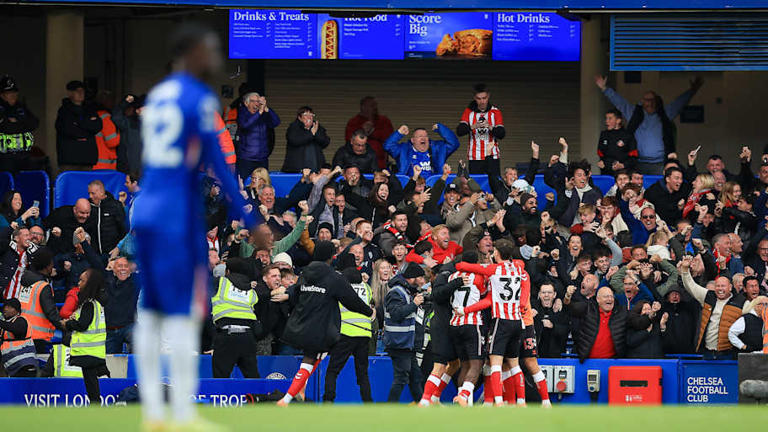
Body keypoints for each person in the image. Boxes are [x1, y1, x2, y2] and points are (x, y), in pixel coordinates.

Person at [131, 23, 256, 429]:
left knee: (150, 309)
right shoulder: (197, 98)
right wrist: (249, 217)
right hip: (175, 213)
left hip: (146, 206)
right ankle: (182, 413)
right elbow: (221, 167)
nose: (215, 58)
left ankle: (152, 411)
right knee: (185, 310)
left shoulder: (159, 96)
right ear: (192, 54)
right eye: (209, 50)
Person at [274, 241, 374, 406]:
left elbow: (297, 290)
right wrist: (369, 312)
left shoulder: (306, 273)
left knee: (311, 360)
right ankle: (290, 397)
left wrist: (287, 294)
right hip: (322, 329)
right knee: (318, 362)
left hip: (302, 325)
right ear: (331, 257)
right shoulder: (334, 278)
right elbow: (351, 300)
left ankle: (295, 392)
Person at [455, 239, 531, 406]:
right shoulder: (519, 268)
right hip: (517, 321)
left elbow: (463, 267)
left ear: (497, 253)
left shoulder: (493, 270)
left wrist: (478, 267)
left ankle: (498, 401)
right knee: (515, 364)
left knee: (495, 363)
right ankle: (522, 402)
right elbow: (520, 264)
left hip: (501, 322)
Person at [595, 74, 703, 174]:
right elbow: (620, 102)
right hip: (638, 163)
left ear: (657, 101)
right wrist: (604, 88)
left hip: (660, 163)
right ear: (642, 102)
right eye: (647, 100)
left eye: (652, 100)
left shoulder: (665, 114)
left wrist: (693, 90)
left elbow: (679, 103)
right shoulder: (634, 114)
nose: (650, 103)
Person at [323, 267, 375, 403]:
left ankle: (328, 400)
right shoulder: (367, 288)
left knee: (333, 370)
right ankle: (368, 403)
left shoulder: (342, 288)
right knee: (363, 374)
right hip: (364, 334)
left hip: (346, 332)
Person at [679, 255, 744, 359]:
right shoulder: (709, 296)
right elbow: (691, 286)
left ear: (730, 288)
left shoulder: (740, 302)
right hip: (707, 352)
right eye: (717, 286)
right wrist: (685, 269)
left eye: (723, 286)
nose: (720, 289)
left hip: (728, 353)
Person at [61, 269, 110, 404]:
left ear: (90, 284)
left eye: (82, 280)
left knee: (91, 383)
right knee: (94, 379)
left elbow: (83, 325)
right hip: (95, 352)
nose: (79, 283)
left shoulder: (89, 303)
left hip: (88, 352)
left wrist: (68, 324)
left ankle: (95, 406)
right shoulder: (96, 303)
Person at [210, 259, 263, 378]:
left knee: (220, 378)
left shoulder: (220, 283)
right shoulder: (252, 290)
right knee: (252, 378)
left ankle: (221, 397)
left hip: (226, 335)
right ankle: (258, 396)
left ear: (227, 271)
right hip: (248, 337)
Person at [382, 262, 425, 403]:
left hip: (406, 343)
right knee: (401, 379)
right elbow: (396, 314)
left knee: (415, 377)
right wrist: (414, 304)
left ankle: (422, 405)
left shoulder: (406, 292)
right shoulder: (396, 292)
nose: (422, 281)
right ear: (412, 278)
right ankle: (389, 410)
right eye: (420, 278)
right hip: (398, 343)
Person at [564, 285, 631, 361]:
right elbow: (569, 307)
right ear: (598, 299)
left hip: (613, 362)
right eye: (606, 296)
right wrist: (568, 296)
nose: (610, 299)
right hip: (588, 361)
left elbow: (637, 320)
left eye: (611, 296)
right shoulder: (588, 308)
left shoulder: (621, 312)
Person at [456, 83, 505, 178]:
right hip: (474, 156)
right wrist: (473, 126)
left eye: (484, 98)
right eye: (479, 98)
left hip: (493, 155)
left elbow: (502, 134)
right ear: (474, 98)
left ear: (488, 96)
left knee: (494, 184)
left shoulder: (495, 112)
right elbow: (459, 131)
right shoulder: (469, 112)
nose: (482, 101)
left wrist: (490, 127)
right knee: (476, 186)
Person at [19, 247, 61, 352]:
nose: (53, 266)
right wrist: (65, 325)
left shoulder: (25, 281)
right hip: (38, 336)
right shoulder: (43, 286)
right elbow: (51, 312)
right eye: (51, 263)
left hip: (23, 333)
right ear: (46, 266)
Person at [55, 80, 103, 171]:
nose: (81, 94)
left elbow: (98, 126)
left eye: (82, 91)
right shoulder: (64, 111)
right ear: (69, 93)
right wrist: (87, 127)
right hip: (69, 158)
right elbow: (67, 129)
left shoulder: (90, 109)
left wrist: (79, 123)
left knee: (86, 183)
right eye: (77, 91)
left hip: (87, 157)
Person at [384, 123, 459, 178]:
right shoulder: (404, 150)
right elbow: (387, 146)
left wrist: (441, 129)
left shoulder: (437, 149)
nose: (423, 138)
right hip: (409, 188)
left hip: (433, 187)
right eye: (420, 136)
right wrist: (399, 133)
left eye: (425, 136)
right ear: (413, 140)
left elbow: (454, 144)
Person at [236, 91, 280, 179]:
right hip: (246, 158)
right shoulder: (242, 113)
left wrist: (267, 109)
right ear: (246, 103)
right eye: (254, 101)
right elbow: (245, 125)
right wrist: (259, 112)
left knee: (263, 184)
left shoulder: (264, 115)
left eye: (258, 101)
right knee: (244, 184)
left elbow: (276, 122)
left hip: (262, 158)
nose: (257, 103)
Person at [0, 75, 39, 172]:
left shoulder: (21, 107)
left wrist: (15, 122)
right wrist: (20, 124)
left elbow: (34, 123)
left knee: (25, 182)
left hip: (24, 156)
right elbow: (7, 128)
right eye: (9, 93)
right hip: (4, 157)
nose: (13, 95)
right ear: (2, 95)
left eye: (15, 92)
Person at [345, 96, 394, 170]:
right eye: (369, 106)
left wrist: (373, 131)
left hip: (379, 162)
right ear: (362, 107)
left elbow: (390, 139)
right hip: (357, 161)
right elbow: (349, 140)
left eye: (374, 105)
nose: (373, 108)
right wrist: (362, 131)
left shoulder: (384, 121)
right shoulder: (354, 122)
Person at [104, 257, 139, 354]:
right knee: (111, 363)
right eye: (119, 266)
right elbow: (95, 262)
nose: (123, 268)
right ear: (113, 269)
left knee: (138, 348)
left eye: (126, 266)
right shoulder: (106, 280)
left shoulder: (134, 281)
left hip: (129, 327)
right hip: (110, 329)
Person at [282, 106, 330, 173]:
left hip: (316, 167)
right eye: (306, 115)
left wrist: (315, 134)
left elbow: (325, 142)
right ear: (299, 117)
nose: (309, 117)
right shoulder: (294, 127)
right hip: (297, 168)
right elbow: (294, 141)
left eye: (311, 115)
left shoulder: (317, 128)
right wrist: (311, 134)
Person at [86, 180, 127, 255]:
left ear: (101, 192)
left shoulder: (115, 206)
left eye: (93, 193)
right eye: (89, 193)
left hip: (111, 253)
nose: (90, 196)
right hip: (93, 255)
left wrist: (118, 249)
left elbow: (123, 230)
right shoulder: (88, 206)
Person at [0, 297, 38, 377]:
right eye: (5, 307)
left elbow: (16, 329)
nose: (6, 309)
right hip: (12, 364)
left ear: (17, 310)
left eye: (10, 307)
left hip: (25, 364)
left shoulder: (21, 320)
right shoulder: (6, 323)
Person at [597, 109, 637, 175]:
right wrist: (602, 162)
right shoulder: (604, 134)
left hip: (623, 173)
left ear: (618, 120)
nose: (607, 121)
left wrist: (623, 165)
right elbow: (600, 153)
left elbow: (634, 156)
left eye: (610, 118)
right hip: (606, 172)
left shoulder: (627, 135)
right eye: (606, 118)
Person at [112, 94, 145, 175]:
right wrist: (125, 102)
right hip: (130, 170)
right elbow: (116, 117)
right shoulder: (129, 123)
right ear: (137, 111)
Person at [0, 226, 36, 299]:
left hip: (21, 300)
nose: (29, 238)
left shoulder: (31, 255)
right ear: (16, 238)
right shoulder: (6, 249)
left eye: (29, 235)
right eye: (26, 235)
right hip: (3, 297)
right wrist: (10, 228)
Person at [92, 91, 120, 170]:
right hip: (105, 165)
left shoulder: (93, 115)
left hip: (93, 162)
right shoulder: (105, 117)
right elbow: (112, 142)